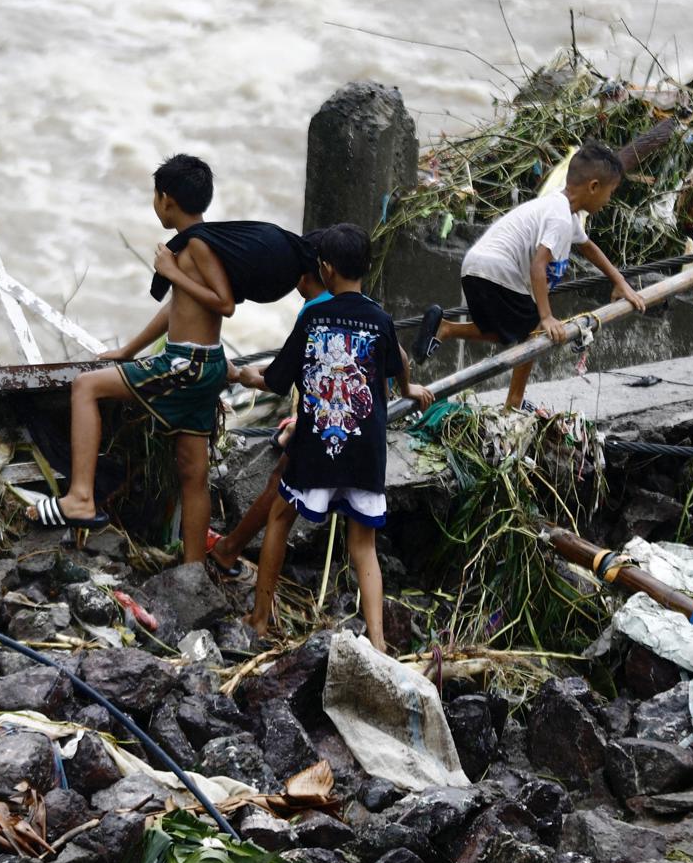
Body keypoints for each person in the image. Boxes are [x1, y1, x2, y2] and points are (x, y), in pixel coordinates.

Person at [31, 154, 312, 566]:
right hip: (207, 364)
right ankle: (194, 569)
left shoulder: (197, 244)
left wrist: (170, 270)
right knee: (192, 473)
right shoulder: (210, 243)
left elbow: (225, 304)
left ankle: (80, 497)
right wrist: (127, 351)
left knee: (85, 387)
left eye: (155, 196)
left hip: (186, 364)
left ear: (166, 200)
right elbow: (178, 309)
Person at [232, 224, 431, 645]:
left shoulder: (314, 317)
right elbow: (397, 360)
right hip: (365, 448)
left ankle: (260, 620)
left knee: (280, 519)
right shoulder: (380, 319)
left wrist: (245, 375)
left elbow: (276, 379)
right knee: (364, 546)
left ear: (325, 268)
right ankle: (377, 641)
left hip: (317, 446)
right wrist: (409, 389)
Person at [413, 141, 644, 409]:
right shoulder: (559, 217)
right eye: (610, 193)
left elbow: (588, 248)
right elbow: (538, 266)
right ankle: (514, 401)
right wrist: (546, 317)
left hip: (475, 269)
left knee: (507, 333)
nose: (608, 201)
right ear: (593, 187)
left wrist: (620, 282)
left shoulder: (559, 209)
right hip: (498, 271)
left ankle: (446, 328)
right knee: (535, 330)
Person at [205, 248, 334, 591]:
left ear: (311, 273)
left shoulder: (314, 310)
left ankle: (231, 554)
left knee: (281, 491)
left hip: (324, 421)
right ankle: (230, 549)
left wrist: (240, 375)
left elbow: (279, 377)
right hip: (339, 415)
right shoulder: (351, 305)